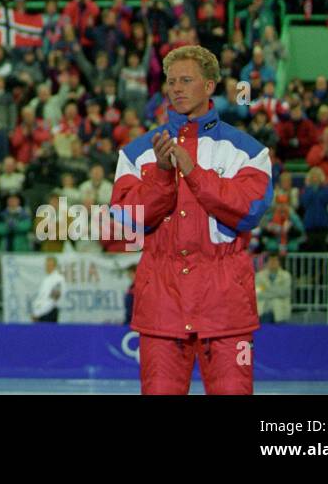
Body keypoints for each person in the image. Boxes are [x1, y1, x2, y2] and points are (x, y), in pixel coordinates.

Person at [110, 45, 271, 395]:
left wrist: (194, 172)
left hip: (225, 303)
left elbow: (249, 211)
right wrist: (162, 176)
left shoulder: (249, 151)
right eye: (171, 82)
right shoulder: (137, 152)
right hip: (162, 304)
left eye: (186, 80)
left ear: (210, 86)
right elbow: (126, 218)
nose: (177, 88)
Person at [255, 252, 292, 323]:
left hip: (281, 310)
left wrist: (266, 289)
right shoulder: (259, 276)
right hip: (263, 311)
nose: (273, 263)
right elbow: (257, 293)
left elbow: (285, 292)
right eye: (271, 260)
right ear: (266, 263)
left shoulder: (286, 275)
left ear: (279, 262)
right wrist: (276, 291)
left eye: (275, 260)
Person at [31, 256, 65, 322]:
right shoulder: (46, 279)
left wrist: (38, 313)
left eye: (50, 265)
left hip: (50, 313)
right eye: (46, 265)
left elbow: (53, 300)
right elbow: (41, 298)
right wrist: (36, 312)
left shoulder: (58, 279)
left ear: (54, 266)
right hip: (41, 313)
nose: (47, 267)